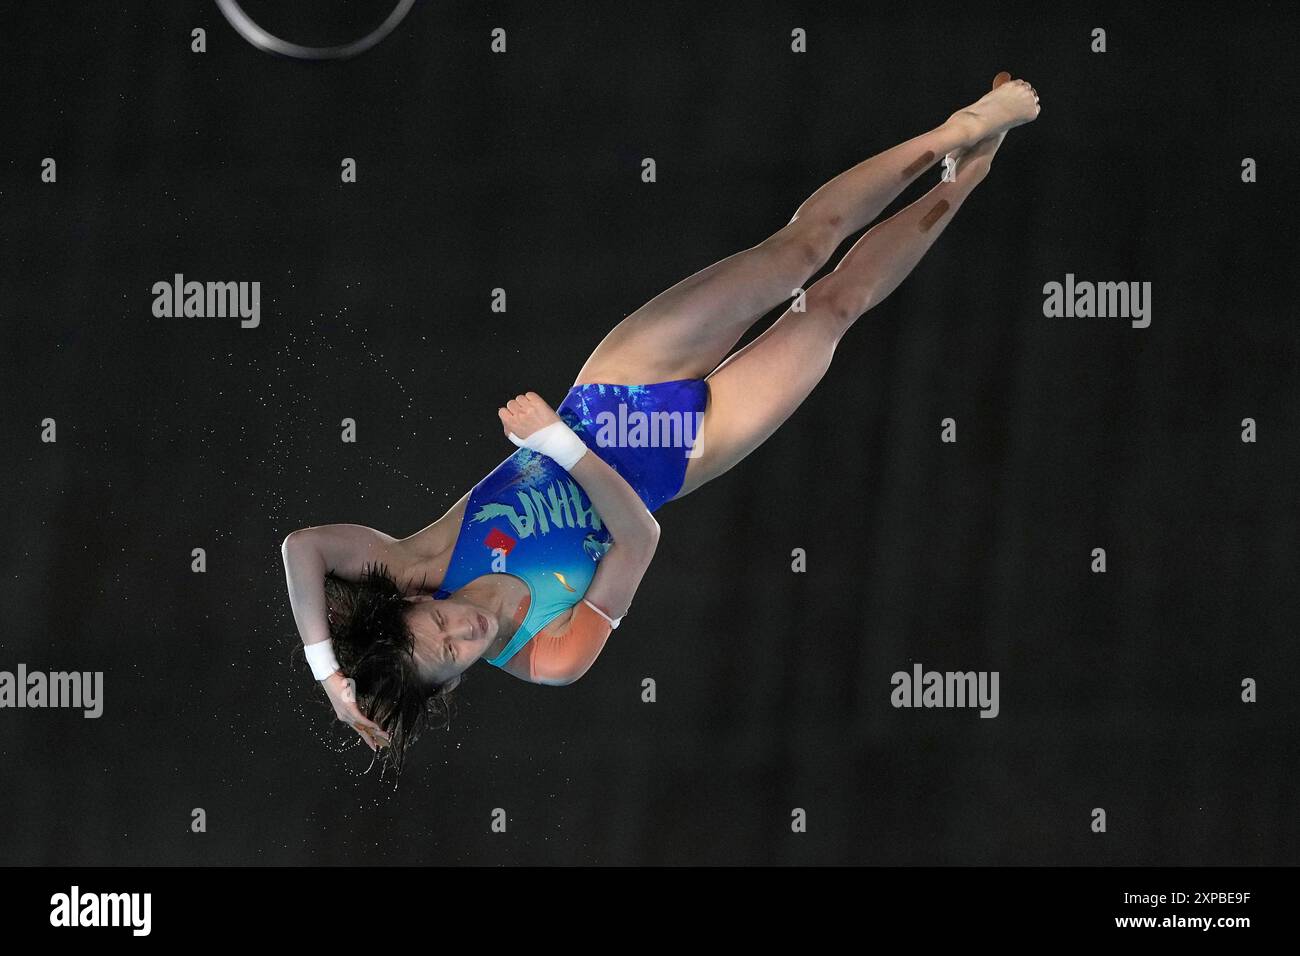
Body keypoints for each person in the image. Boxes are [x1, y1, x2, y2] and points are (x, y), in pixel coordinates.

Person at [282, 73, 1040, 769]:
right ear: (448, 685)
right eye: (449, 656)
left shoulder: (423, 560)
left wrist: (328, 677)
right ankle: (976, 167)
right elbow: (640, 536)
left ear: (417, 603)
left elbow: (303, 547)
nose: (461, 634)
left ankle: (957, 129)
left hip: (619, 385)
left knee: (798, 252)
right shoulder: (550, 656)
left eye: (437, 628)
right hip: (683, 453)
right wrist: (552, 444)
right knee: (837, 306)